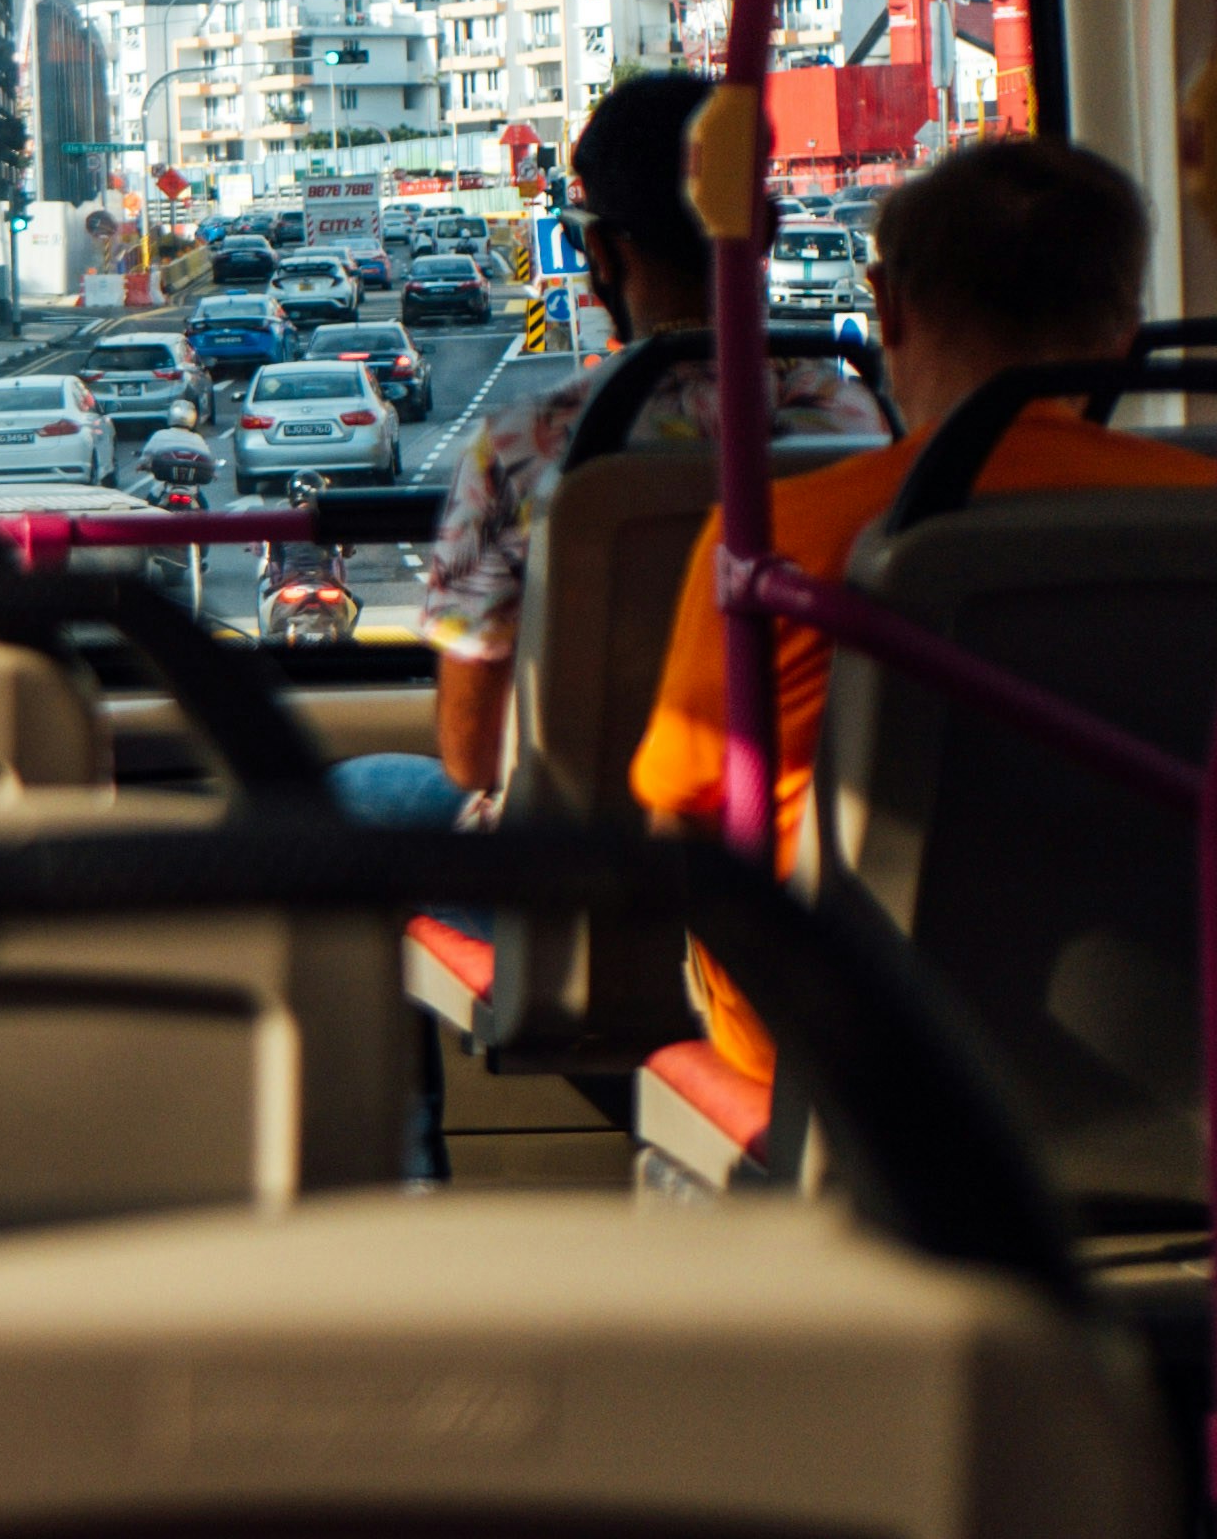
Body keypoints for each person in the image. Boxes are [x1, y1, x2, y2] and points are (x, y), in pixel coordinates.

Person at [331, 71, 888, 1178]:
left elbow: (471, 754)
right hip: (820, 892)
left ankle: (398, 1192)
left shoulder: (532, 451)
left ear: (601, 253)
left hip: (584, 913)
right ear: (766, 229)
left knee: (350, 805)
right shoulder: (865, 420)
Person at [625, 131, 1208, 1102]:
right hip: (1199, 1049)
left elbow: (677, 813)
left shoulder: (794, 536)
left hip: (845, 1055)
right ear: (1122, 335)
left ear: (887, 308)